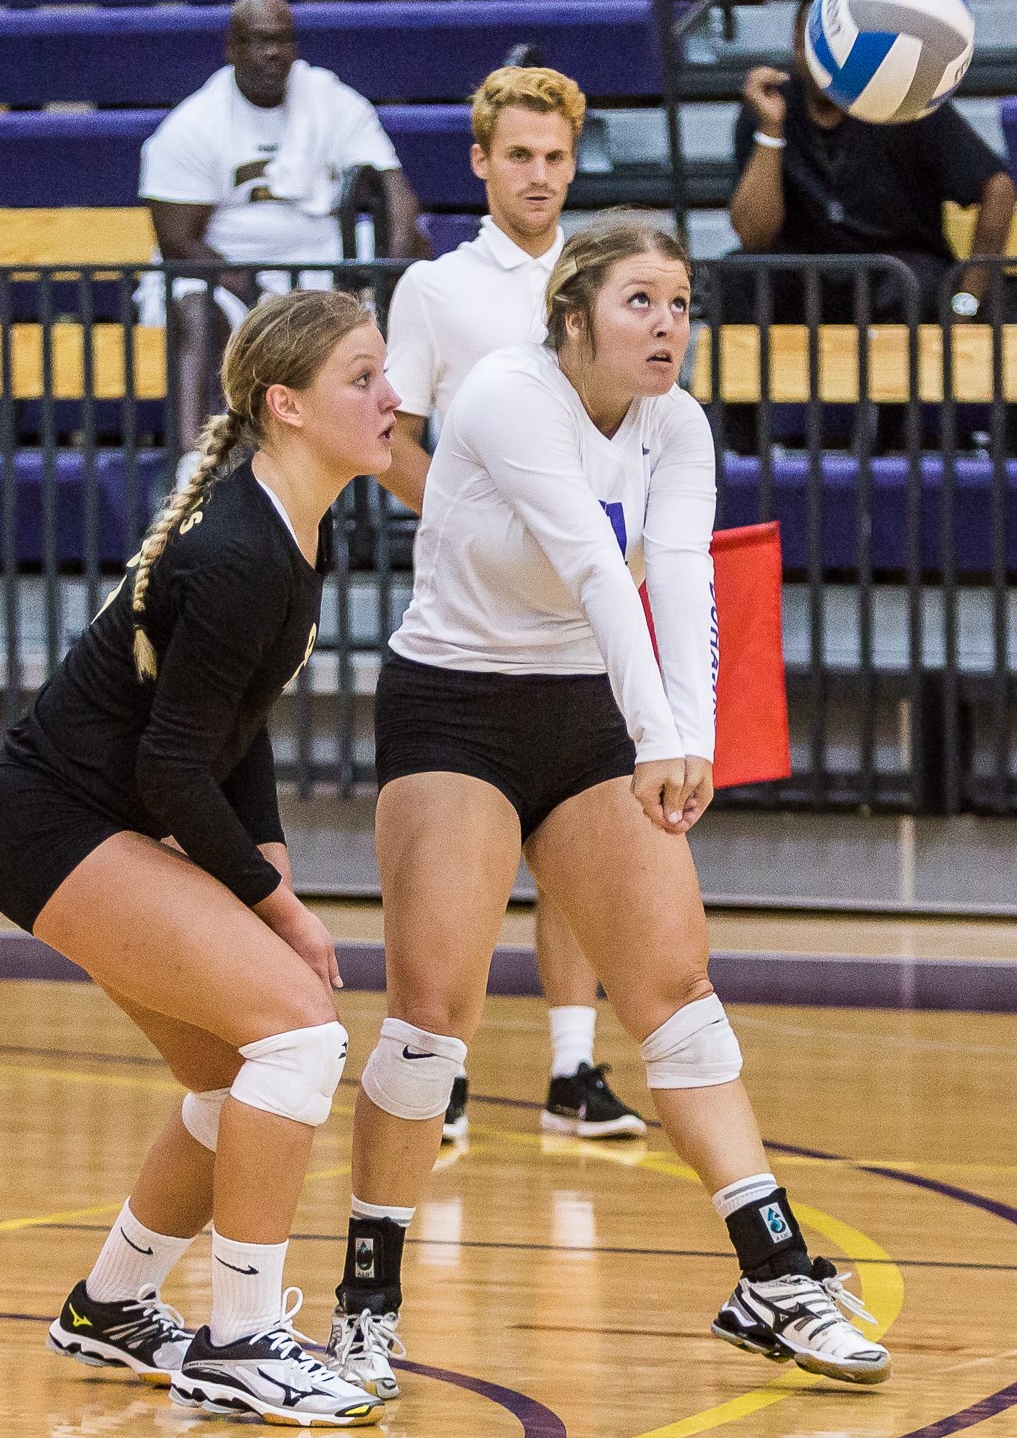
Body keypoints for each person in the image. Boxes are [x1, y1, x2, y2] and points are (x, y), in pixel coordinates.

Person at [325, 215, 893, 1404]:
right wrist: (657, 736)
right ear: (572, 317)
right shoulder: (505, 392)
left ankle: (772, 1275)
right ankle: (364, 1306)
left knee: (677, 995)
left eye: (680, 303)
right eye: (640, 301)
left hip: (584, 700)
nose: (667, 324)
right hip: (459, 705)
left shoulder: (673, 423)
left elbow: (677, 573)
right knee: (429, 1017)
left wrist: (687, 741)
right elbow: (592, 564)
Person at [0, 290, 401, 1428]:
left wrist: (270, 872)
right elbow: (170, 767)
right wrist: (283, 911)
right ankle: (242, 1339)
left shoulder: (288, 526)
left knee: (233, 1070)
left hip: (92, 819)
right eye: (362, 377)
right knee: (298, 1034)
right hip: (53, 822)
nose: (391, 397)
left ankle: (112, 1303)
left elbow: (228, 734)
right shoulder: (244, 550)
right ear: (286, 405)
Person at [382, 64, 645, 1147]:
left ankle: (571, 1069)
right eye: (519, 156)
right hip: (473, 618)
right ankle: (441, 1070)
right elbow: (392, 437)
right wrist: (478, 515)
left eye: (556, 157)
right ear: (480, 161)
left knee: (579, 847)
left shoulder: (610, 283)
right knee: (467, 858)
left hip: (584, 611)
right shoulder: (436, 290)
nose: (539, 175)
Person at [137, 0, 422, 465]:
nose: (273, 53)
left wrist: (386, 271)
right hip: (229, 273)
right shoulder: (192, 125)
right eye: (259, 41)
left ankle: (401, 443)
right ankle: (197, 463)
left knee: (417, 256)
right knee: (194, 308)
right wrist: (266, 298)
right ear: (232, 47)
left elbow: (395, 189)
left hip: (323, 264)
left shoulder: (329, 98)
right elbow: (178, 242)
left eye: (283, 40)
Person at [727, 0, 1015, 325]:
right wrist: (770, 130)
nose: (829, 57)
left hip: (898, 270)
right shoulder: (769, 106)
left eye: (841, 43)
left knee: (910, 284)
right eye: (818, 44)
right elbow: (754, 237)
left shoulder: (902, 98)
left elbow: (999, 188)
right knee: (739, 276)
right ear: (797, 46)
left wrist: (966, 303)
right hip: (805, 274)